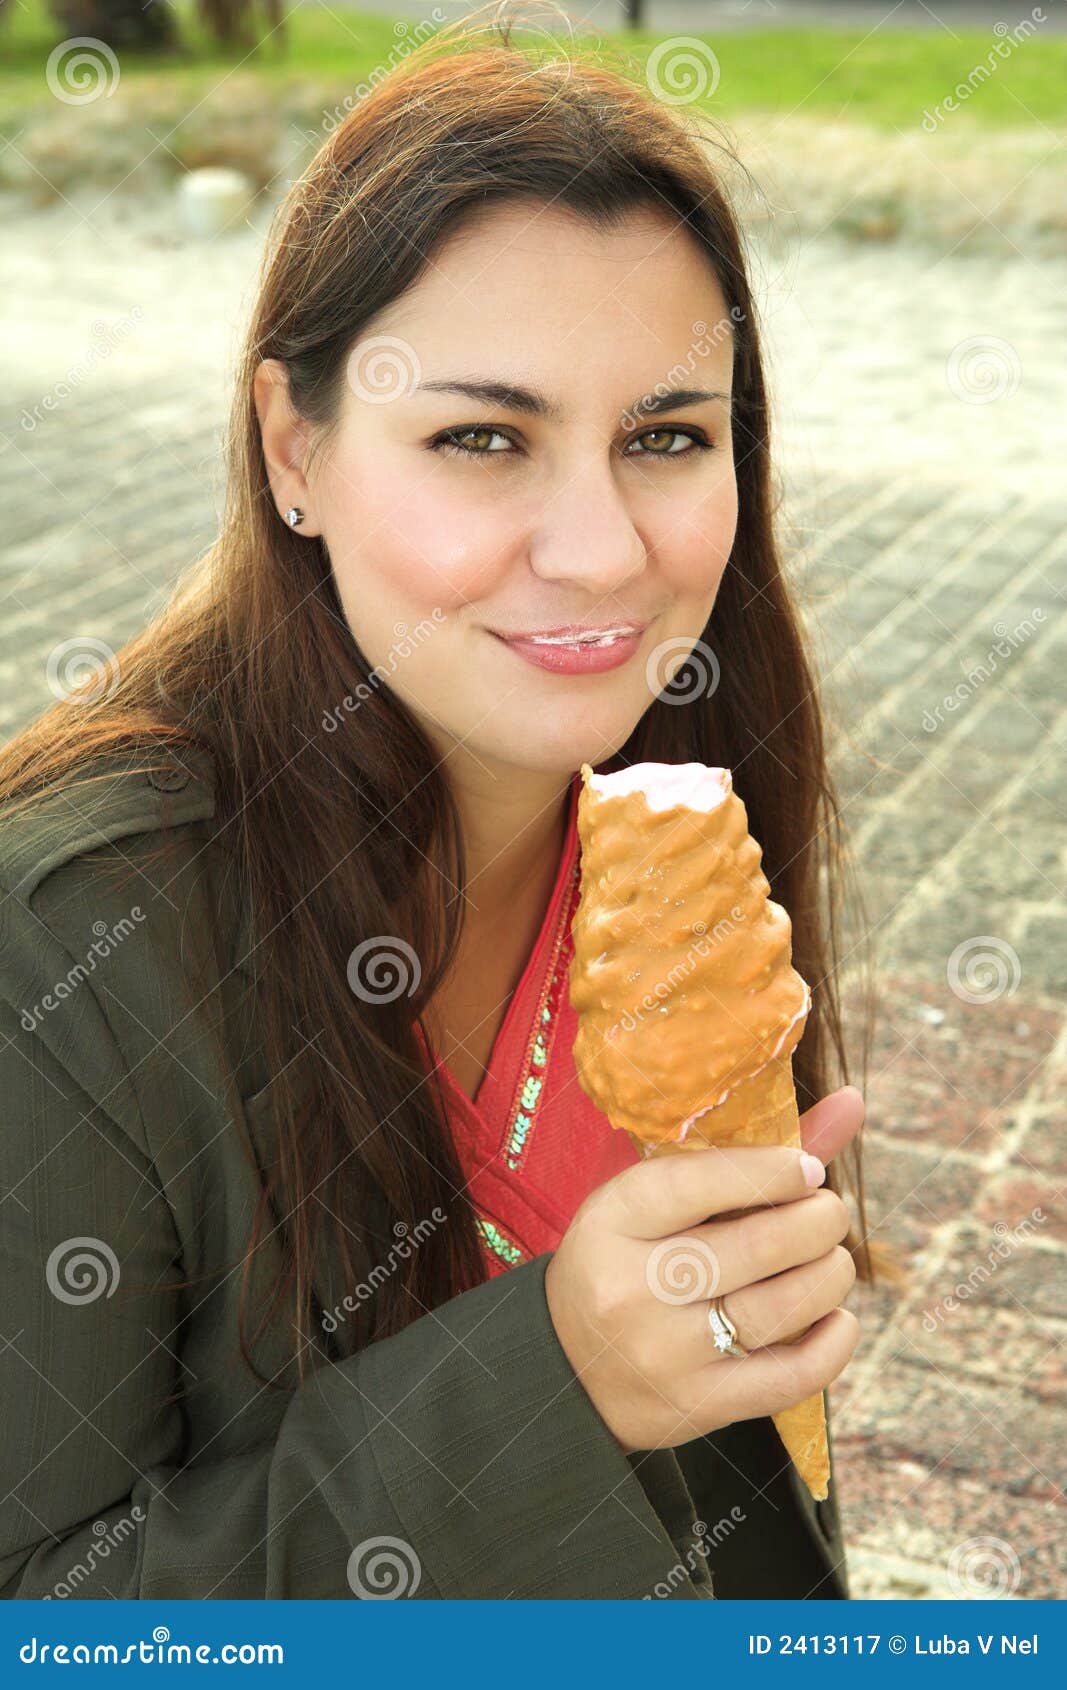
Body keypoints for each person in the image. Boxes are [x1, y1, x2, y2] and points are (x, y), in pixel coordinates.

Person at [0, 10, 883, 1600]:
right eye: (483, 436)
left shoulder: (671, 832)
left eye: (667, 436)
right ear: (295, 448)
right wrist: (554, 1382)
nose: (604, 551)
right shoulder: (64, 950)